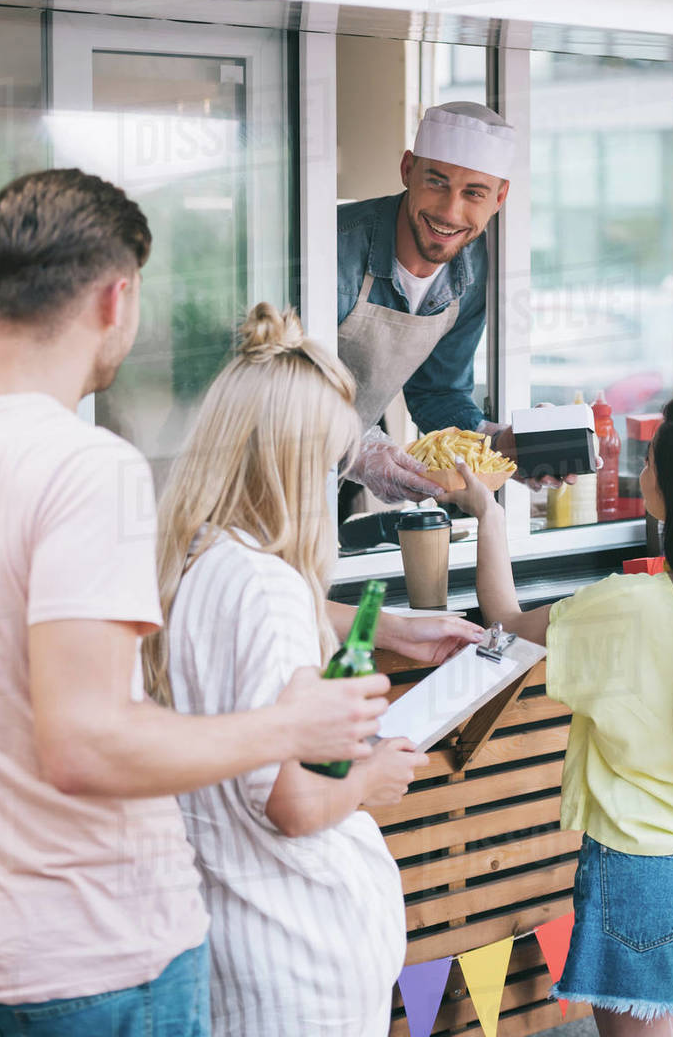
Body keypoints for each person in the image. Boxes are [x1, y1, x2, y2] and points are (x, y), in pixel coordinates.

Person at [0, 170, 391, 1036]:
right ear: (118, 297)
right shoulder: (83, 467)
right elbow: (85, 743)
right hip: (96, 956)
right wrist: (291, 728)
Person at [143, 303, 430, 1037]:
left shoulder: (191, 560)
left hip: (237, 939)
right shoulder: (266, 586)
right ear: (290, 462)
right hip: (299, 958)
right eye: (332, 465)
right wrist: (371, 777)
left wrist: (392, 628)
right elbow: (290, 802)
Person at [450, 392, 673, 1037]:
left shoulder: (631, 605)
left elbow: (505, 627)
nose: (637, 472)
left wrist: (488, 513)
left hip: (646, 867)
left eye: (648, 462)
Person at [339, 100, 522, 505]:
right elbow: (274, 385)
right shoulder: (336, 248)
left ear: (500, 197)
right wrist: (359, 448)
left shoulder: (473, 268)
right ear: (407, 170)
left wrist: (495, 443)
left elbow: (438, 392)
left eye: (474, 193)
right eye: (437, 183)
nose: (450, 212)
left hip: (329, 482)